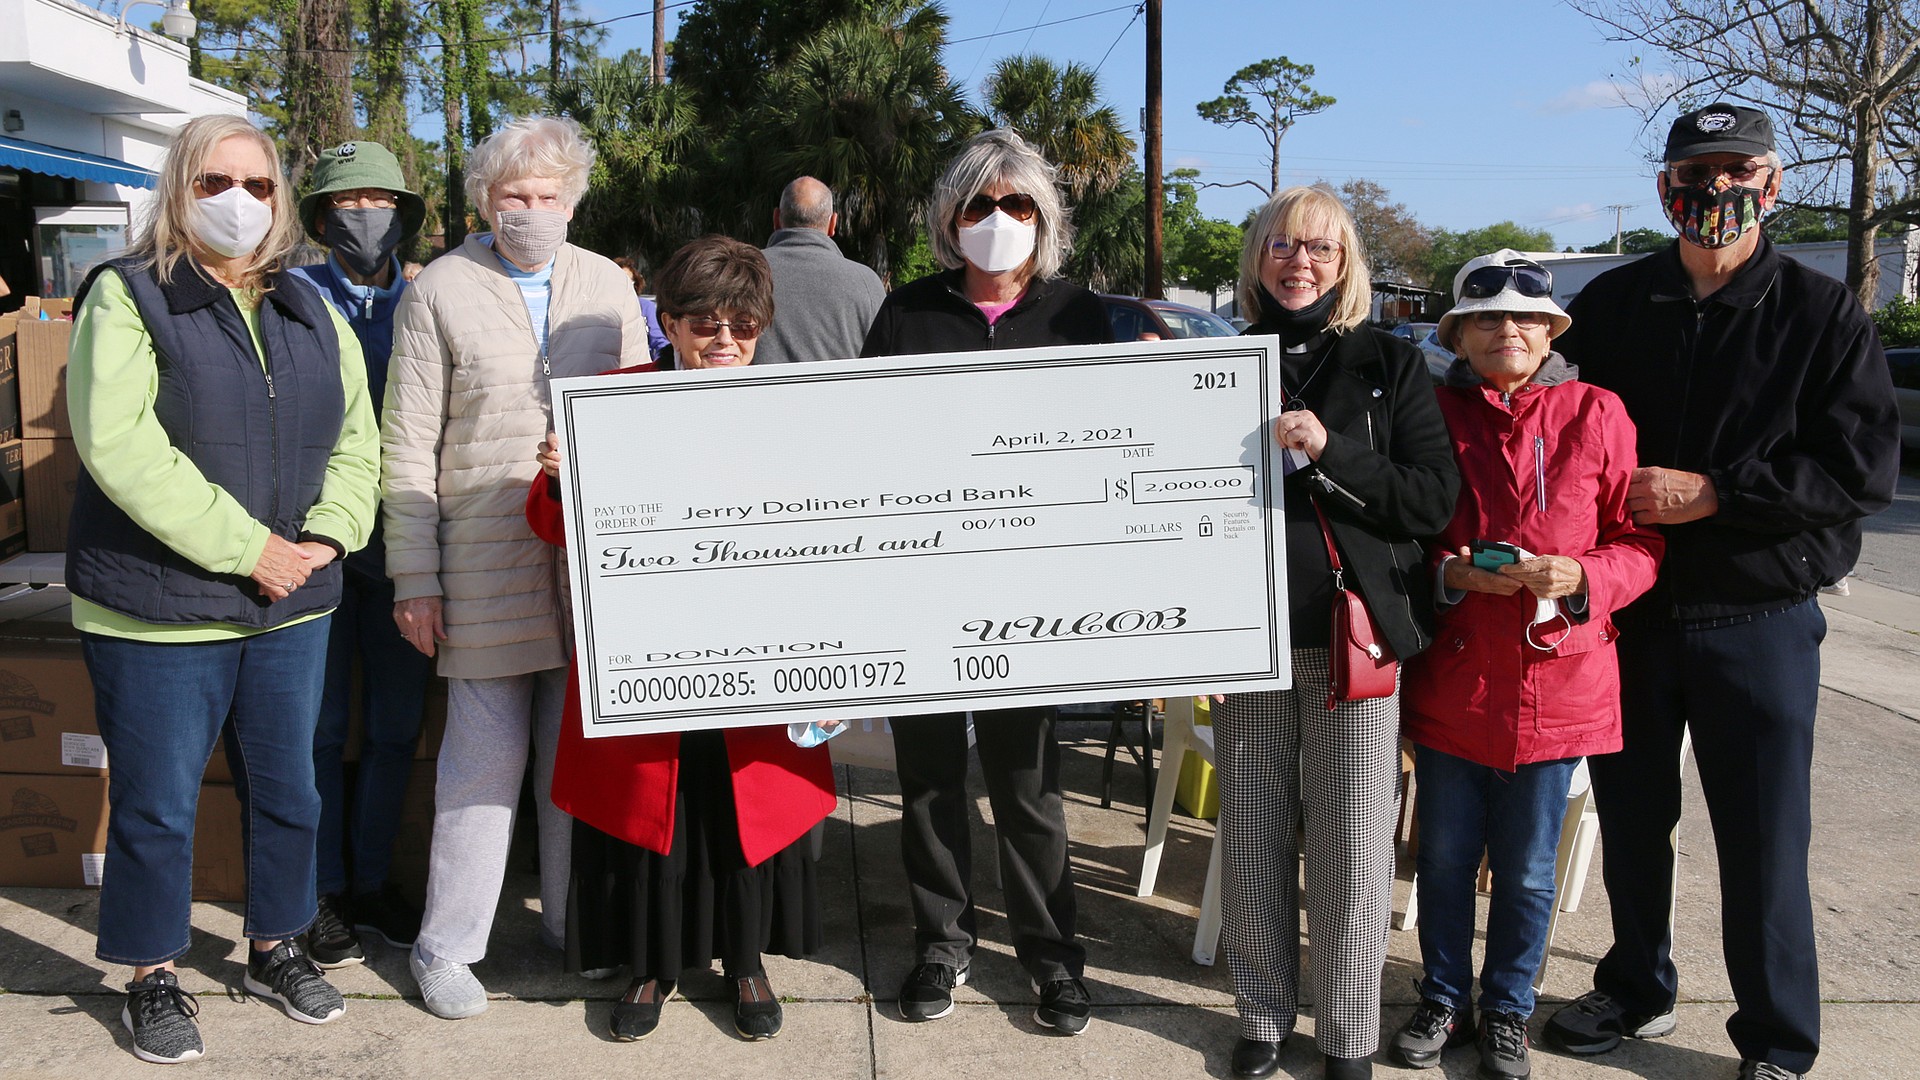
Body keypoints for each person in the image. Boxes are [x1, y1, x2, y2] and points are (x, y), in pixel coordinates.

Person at [1542, 104, 1899, 1080]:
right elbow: (1538, 407)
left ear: (1774, 185)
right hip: (1631, 618)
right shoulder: (1612, 308)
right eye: (1694, 174)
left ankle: (1779, 1039)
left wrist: (1721, 496)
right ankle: (1636, 985)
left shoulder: (1822, 315)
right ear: (1664, 190)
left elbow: (1862, 470)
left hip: (1761, 620)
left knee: (1763, 843)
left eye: (1738, 170)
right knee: (1631, 823)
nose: (1714, 191)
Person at [64, 113, 380, 1063]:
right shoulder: (128, 296)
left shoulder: (309, 305)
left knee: (291, 792)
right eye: (213, 183)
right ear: (177, 191)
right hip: (158, 608)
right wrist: (251, 549)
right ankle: (152, 973)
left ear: (282, 201)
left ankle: (275, 944)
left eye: (257, 184)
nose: (237, 201)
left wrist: (329, 535)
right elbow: (119, 444)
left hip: (292, 604)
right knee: (159, 803)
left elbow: (359, 436)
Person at [529, 235, 838, 1043]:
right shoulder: (608, 402)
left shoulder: (800, 412)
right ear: (666, 321)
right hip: (645, 659)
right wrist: (561, 478)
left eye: (742, 321)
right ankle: (652, 966)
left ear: (763, 325)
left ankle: (745, 962)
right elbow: (544, 523)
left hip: (758, 661)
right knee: (654, 811)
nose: (724, 338)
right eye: (704, 321)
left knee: (738, 808)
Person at [381, 114, 652, 1020]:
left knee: (572, 768)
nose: (530, 211)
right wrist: (413, 577)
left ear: (573, 201)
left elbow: (649, 415)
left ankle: (575, 926)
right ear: (484, 201)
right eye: (512, 196)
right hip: (481, 565)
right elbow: (408, 444)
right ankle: (447, 946)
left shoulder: (608, 284)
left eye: (546, 196)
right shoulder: (441, 289)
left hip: (585, 568)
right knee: (480, 768)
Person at [859, 129, 1111, 1036]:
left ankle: (1052, 958)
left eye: (1017, 205)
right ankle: (942, 943)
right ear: (948, 220)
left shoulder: (1085, 315)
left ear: (1045, 220)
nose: (998, 221)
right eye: (978, 206)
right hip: (929, 585)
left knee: (1028, 784)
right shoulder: (906, 312)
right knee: (927, 780)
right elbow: (869, 439)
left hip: (1034, 592)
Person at [1390, 252, 1662, 1079]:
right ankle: (1443, 996)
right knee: (1440, 855)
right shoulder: (1431, 412)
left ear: (1550, 332)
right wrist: (1449, 573)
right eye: (1486, 319)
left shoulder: (1598, 412)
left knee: (1530, 868)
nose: (1507, 331)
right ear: (1458, 336)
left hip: (1561, 677)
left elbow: (1640, 545)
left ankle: (1509, 1007)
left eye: (1526, 319)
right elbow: (1404, 534)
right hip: (1458, 675)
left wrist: (1584, 577)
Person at [1211, 184, 1458, 1080]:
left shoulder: (1390, 363)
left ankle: (1347, 1035)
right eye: (1279, 244)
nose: (1297, 261)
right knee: (1253, 839)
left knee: (1353, 848)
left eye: (1317, 247)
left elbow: (1432, 500)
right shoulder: (1222, 362)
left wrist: (1330, 450)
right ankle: (1264, 1020)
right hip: (1247, 636)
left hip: (1353, 639)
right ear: (1257, 258)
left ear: (1345, 262)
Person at [286, 139, 434, 970]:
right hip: (311, 550)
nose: (366, 214)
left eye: (382, 199)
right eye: (350, 200)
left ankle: (372, 881)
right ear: (320, 217)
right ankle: (319, 892)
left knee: (392, 729)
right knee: (318, 729)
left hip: (404, 549)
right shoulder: (289, 298)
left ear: (403, 216)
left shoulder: (422, 299)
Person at [756, 176, 885, 364]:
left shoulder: (743, 273)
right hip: (843, 393)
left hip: (758, 393)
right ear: (833, 224)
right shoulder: (866, 282)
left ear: (776, 219)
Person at [611, 254, 670, 360]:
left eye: (629, 282)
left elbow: (660, 342)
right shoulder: (602, 310)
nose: (625, 286)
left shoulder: (647, 307)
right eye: (619, 282)